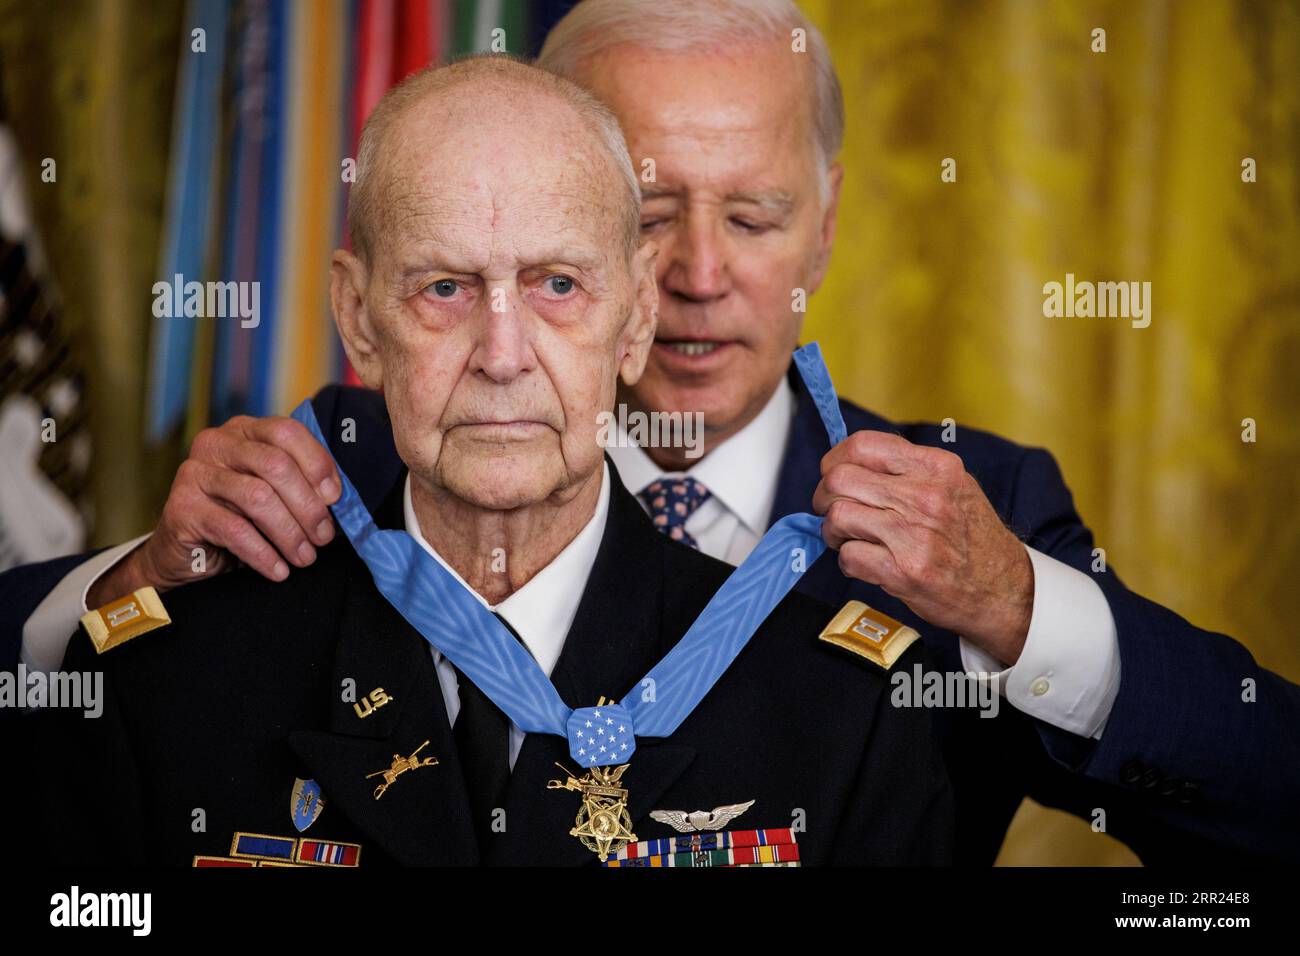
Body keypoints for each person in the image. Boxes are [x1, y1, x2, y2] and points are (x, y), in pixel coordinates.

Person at [6, 0, 1298, 864]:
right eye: (642, 212)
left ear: (828, 224)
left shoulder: (979, 508)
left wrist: (1022, 606)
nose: (693, 273)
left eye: (752, 216)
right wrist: (118, 593)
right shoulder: (348, 454)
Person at [24, 55, 952, 868]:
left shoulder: (842, 709)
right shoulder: (163, 685)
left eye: (557, 286)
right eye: (443, 288)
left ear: (633, 320)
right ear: (357, 320)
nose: (501, 354)